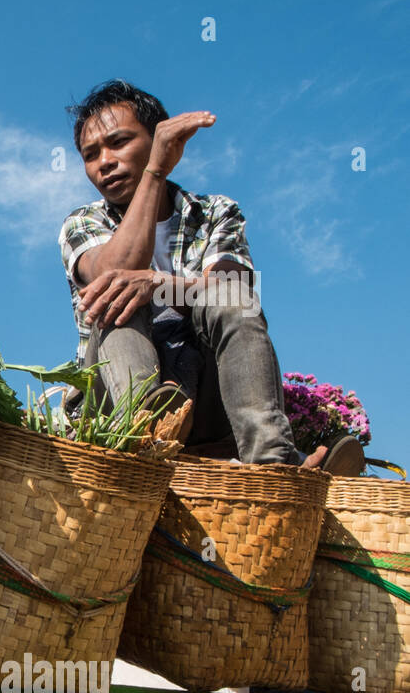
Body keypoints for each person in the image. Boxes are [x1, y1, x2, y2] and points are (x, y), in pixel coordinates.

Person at [57, 80, 362, 474]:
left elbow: (233, 293)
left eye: (118, 143)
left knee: (230, 299)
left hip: (203, 397)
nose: (104, 162)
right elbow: (116, 270)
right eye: (90, 154)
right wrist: (154, 172)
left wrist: (156, 283)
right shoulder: (82, 222)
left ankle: (273, 463)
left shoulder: (216, 212)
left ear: (159, 139)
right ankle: (148, 432)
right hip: (118, 399)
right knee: (118, 297)